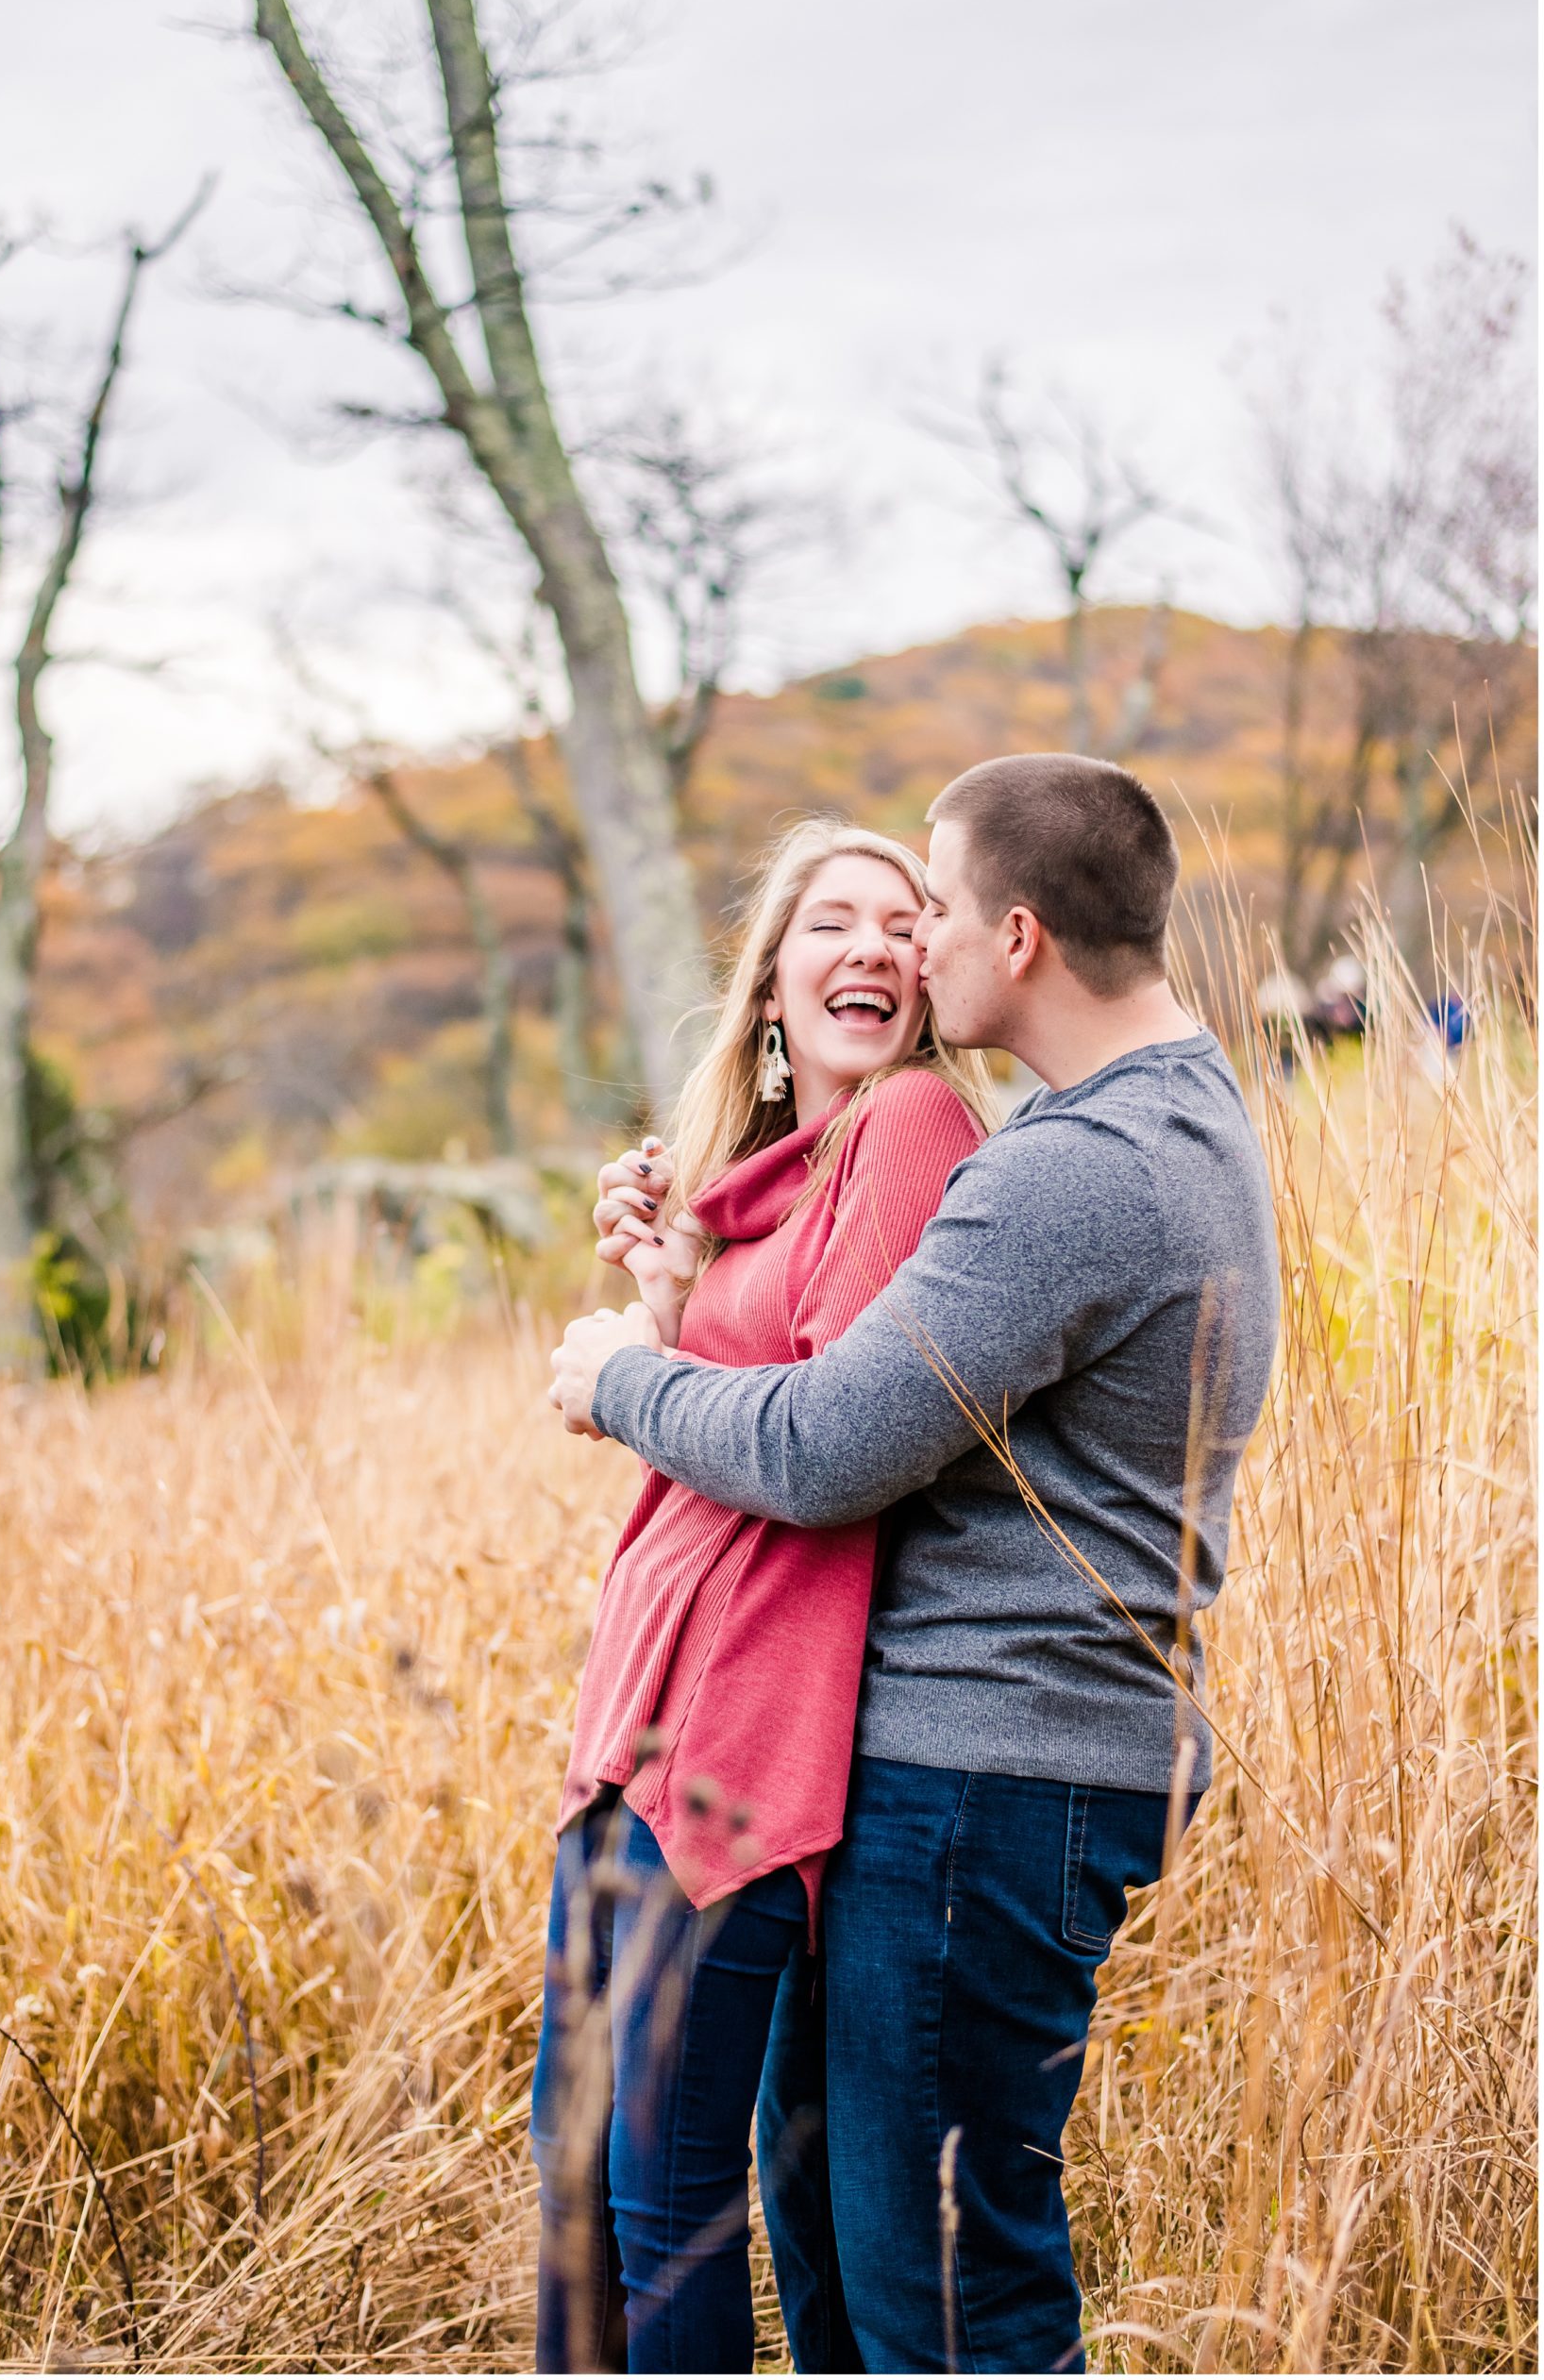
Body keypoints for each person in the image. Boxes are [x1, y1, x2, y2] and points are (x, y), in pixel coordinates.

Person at [551, 753, 1282, 2375]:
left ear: (1015, 936)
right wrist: (686, 1265)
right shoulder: (1161, 1117)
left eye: (932, 906)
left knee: (942, 2296)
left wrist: (619, 1379)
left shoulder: (1071, 1174)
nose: (911, 942)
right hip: (972, 1772)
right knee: (844, 2258)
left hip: (987, 1779)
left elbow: (821, 1451)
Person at [530, 817, 999, 2374]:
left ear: (932, 974)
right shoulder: (777, 1186)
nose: (869, 944)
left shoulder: (916, 1120)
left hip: (736, 1748)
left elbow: (826, 1446)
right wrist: (667, 1298)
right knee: (582, 2195)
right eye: (830, 923)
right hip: (636, 1732)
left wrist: (634, 1370)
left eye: (901, 921)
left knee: (665, 2211)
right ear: (771, 988)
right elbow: (714, 1440)